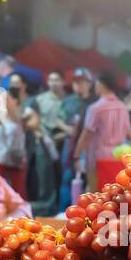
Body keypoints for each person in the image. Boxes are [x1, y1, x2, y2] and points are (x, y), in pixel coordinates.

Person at [75, 72, 131, 192]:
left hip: (97, 158)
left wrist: (77, 156)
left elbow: (86, 135)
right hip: (118, 158)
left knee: (95, 194)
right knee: (114, 193)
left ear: (101, 85)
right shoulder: (123, 107)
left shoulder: (95, 108)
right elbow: (130, 133)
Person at [57, 68, 96, 209]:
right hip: (70, 144)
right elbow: (58, 120)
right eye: (76, 82)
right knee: (67, 178)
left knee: (88, 181)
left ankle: (82, 213)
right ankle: (63, 211)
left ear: (90, 84)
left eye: (82, 82)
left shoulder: (94, 103)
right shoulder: (67, 101)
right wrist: (67, 129)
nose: (79, 85)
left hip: (88, 146)